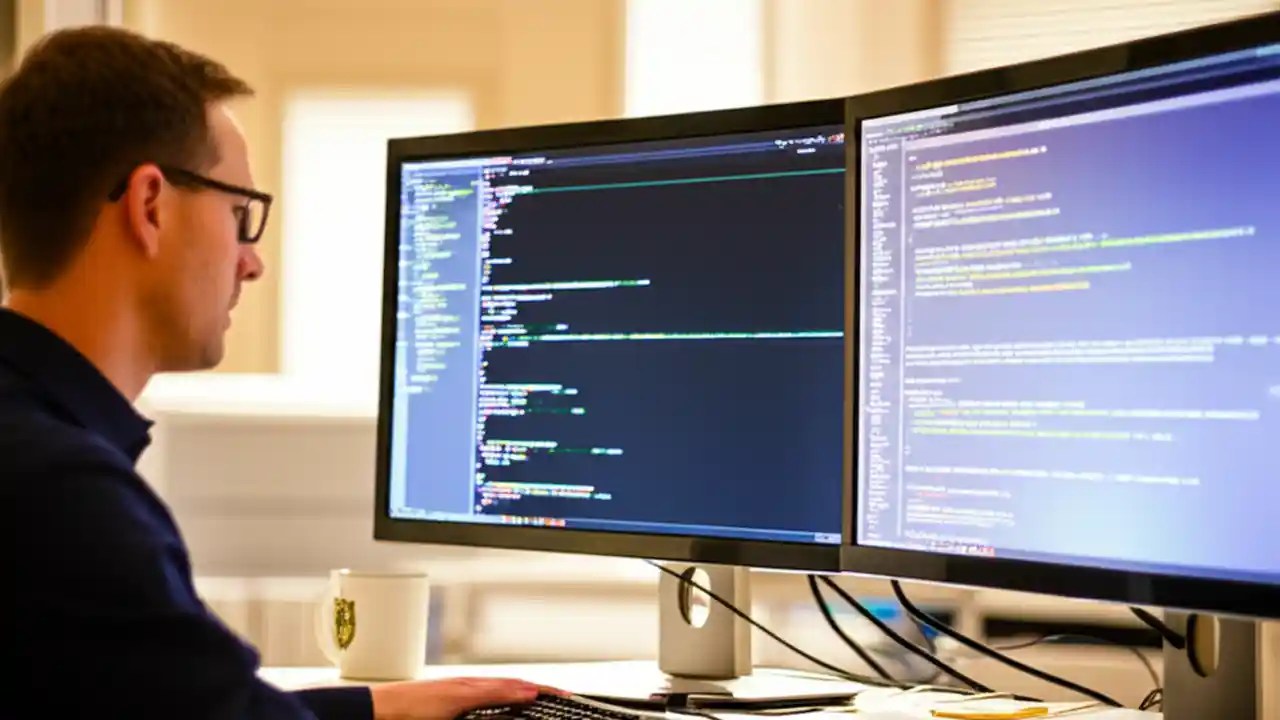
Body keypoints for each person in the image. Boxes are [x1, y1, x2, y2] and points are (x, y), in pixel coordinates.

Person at [0, 25, 552, 720]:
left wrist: (374, 707)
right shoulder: (63, 497)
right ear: (149, 206)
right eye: (240, 215)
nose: (251, 262)